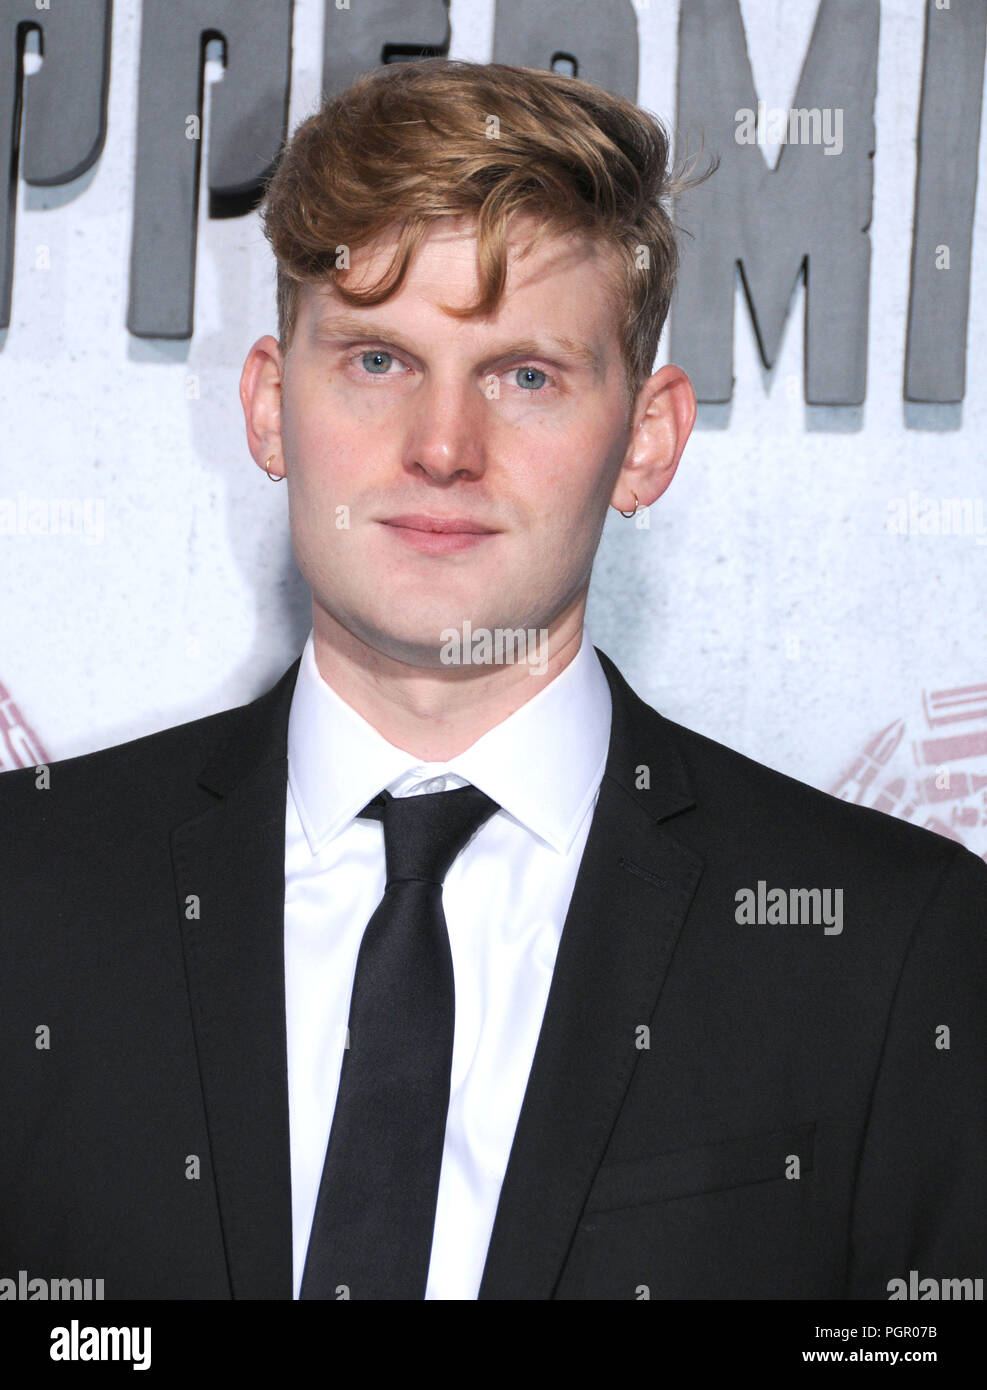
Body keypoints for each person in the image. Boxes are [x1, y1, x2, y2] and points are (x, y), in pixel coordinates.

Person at [0, 59, 983, 1302]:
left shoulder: (889, 947)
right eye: (376, 360)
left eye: (525, 374)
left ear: (647, 440)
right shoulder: (23, 894)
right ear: (265, 408)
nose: (444, 448)